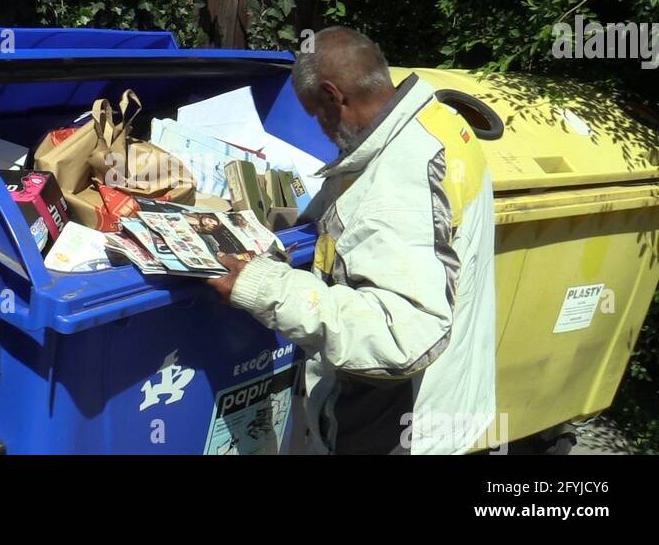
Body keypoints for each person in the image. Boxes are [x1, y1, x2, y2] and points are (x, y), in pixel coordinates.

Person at [208, 27, 497, 455]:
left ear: (333, 96)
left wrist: (262, 286)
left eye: (317, 115)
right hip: (447, 400)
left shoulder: (403, 183)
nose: (322, 131)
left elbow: (402, 336)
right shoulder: (435, 123)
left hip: (399, 426)